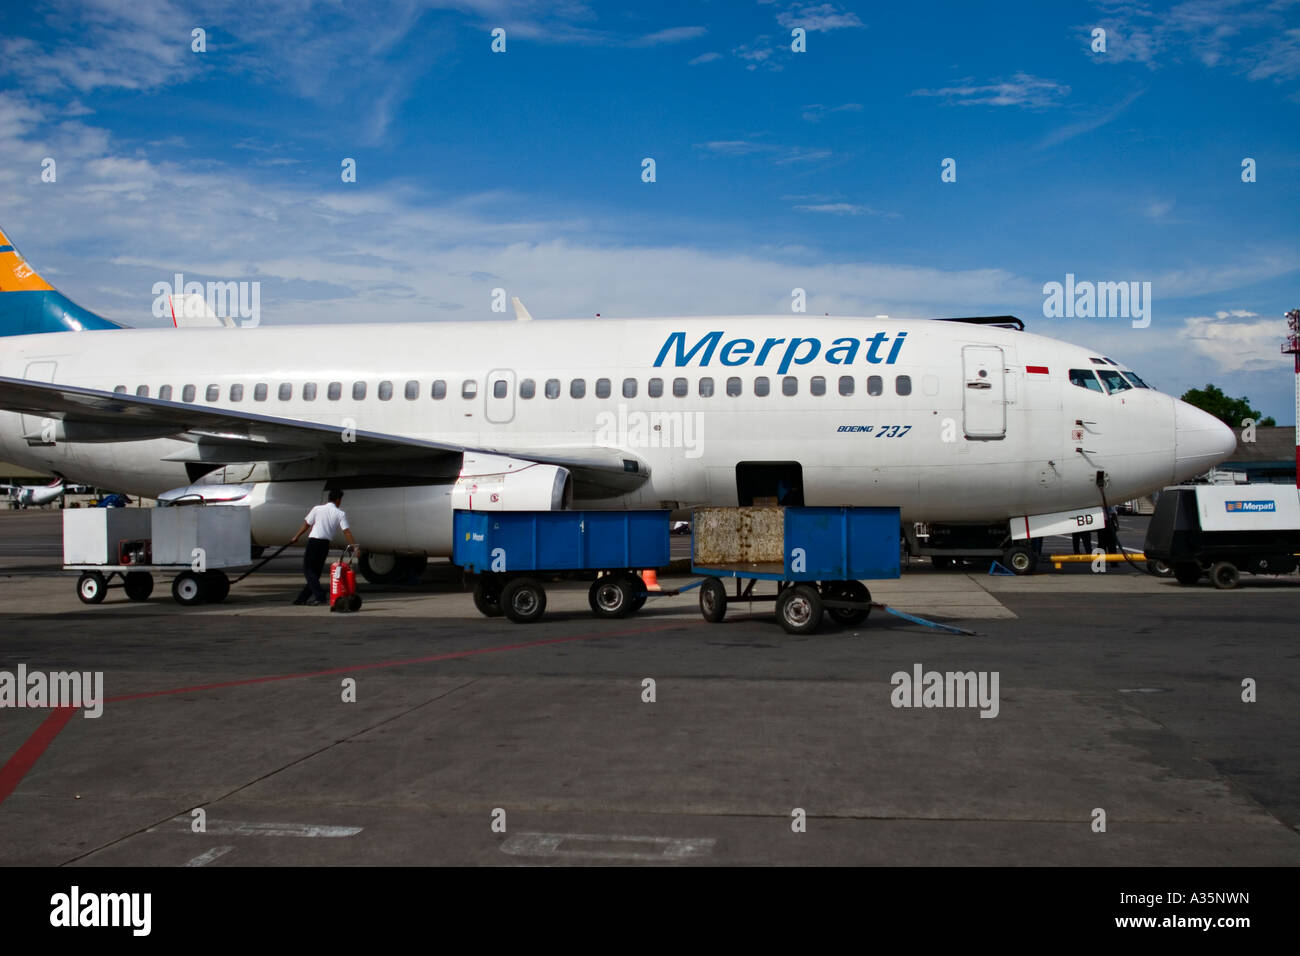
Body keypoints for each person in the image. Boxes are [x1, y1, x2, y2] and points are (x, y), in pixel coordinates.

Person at [289, 488, 358, 605]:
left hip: (314, 542)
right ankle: (302, 598)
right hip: (325, 544)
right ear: (338, 500)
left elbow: (307, 524)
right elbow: (346, 531)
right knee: (315, 572)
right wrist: (354, 546)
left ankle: (320, 596)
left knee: (308, 570)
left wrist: (296, 536)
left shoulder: (317, 509)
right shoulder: (340, 513)